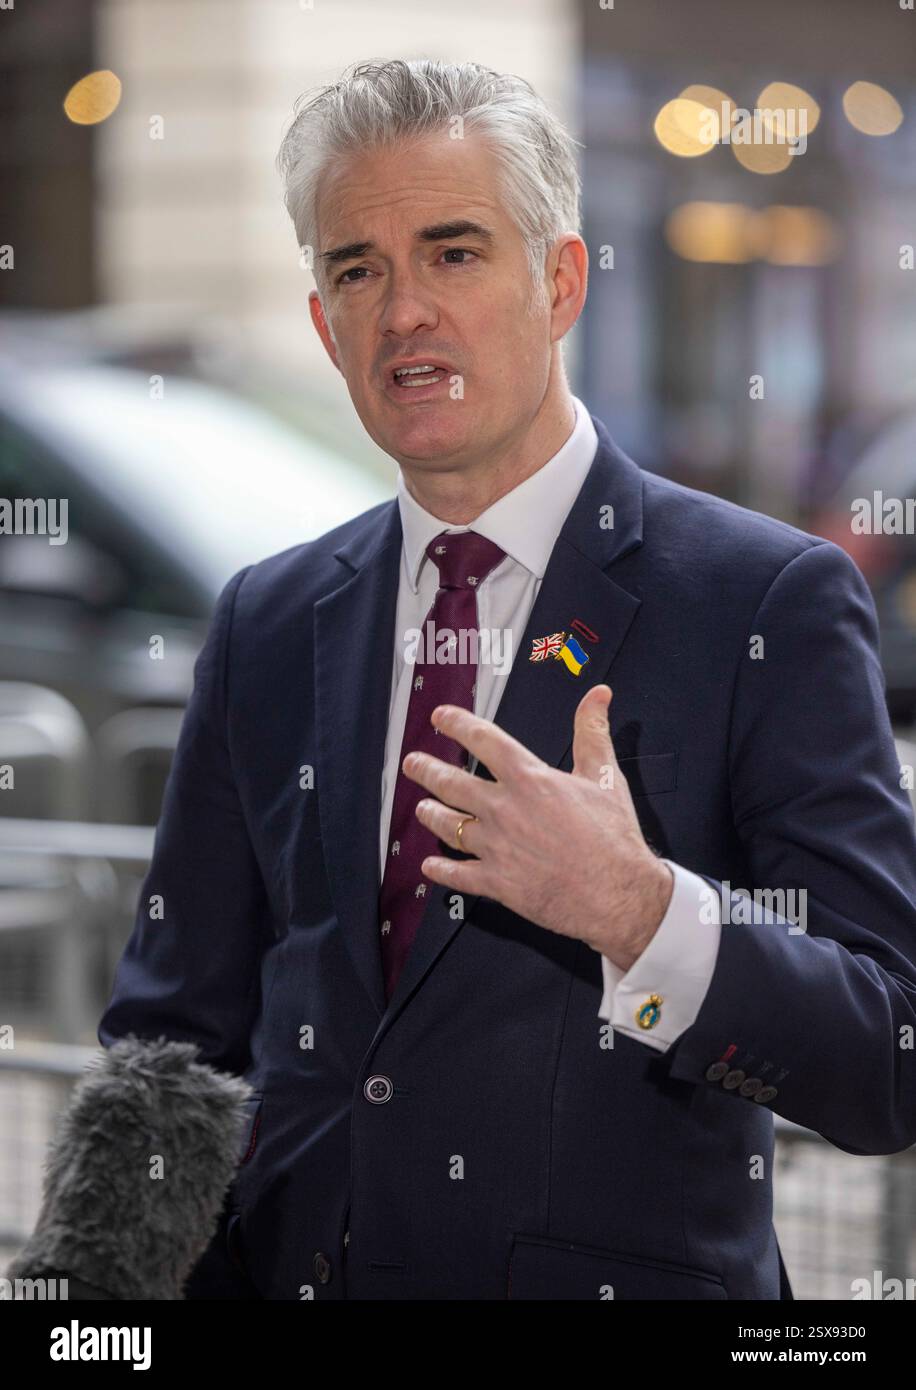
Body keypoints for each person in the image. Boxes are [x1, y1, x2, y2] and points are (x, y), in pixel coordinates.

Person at [99, 58, 916, 1301]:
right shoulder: (268, 616)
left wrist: (640, 910)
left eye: (454, 252)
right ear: (323, 323)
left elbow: (886, 1057)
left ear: (561, 280)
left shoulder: (764, 600)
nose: (402, 311)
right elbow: (172, 1041)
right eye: (355, 269)